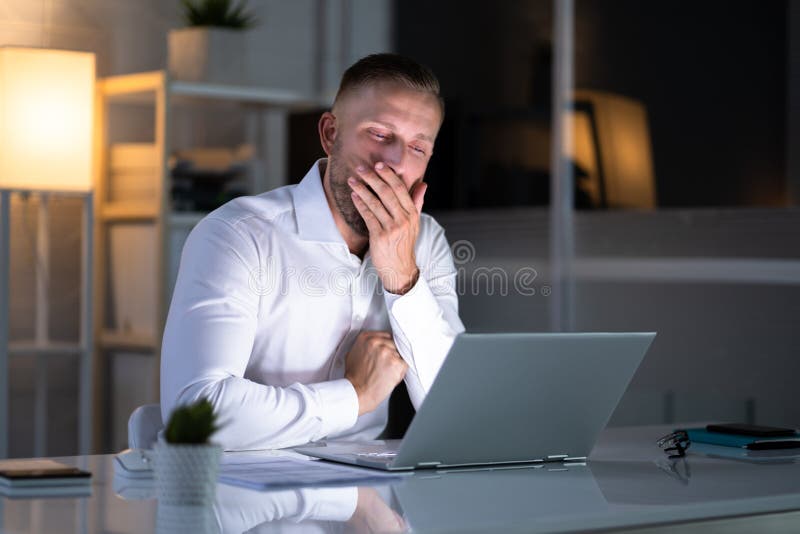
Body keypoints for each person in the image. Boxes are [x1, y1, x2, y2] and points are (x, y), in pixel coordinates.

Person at [161, 53, 465, 450]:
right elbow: (195, 417)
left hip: (363, 499)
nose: (395, 162)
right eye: (378, 134)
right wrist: (355, 396)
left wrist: (402, 278)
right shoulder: (237, 235)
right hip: (244, 498)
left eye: (418, 148)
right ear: (329, 133)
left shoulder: (426, 242)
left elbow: (454, 411)